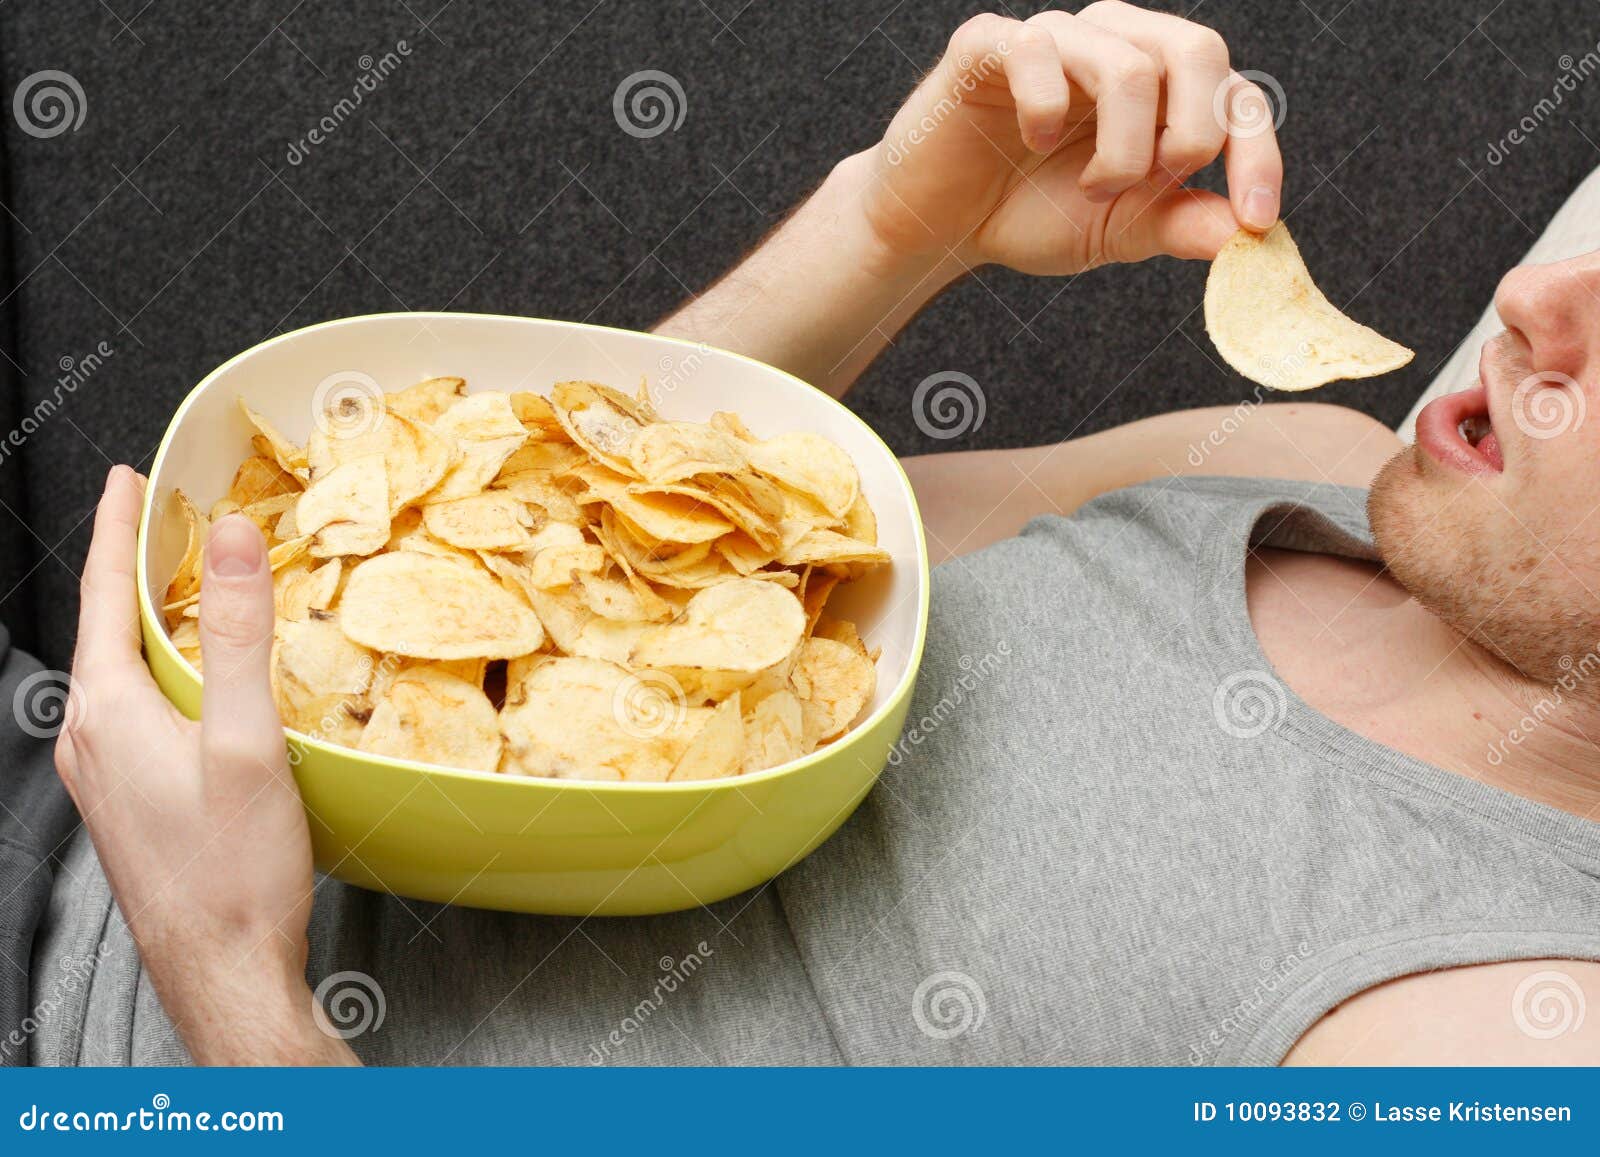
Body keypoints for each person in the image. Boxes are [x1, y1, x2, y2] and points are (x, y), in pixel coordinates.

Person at [37, 3, 1600, 1066]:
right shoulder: (1300, 463)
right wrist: (897, 232)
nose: (1536, 300)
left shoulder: (1493, 1033)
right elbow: (643, 545)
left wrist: (231, 985)